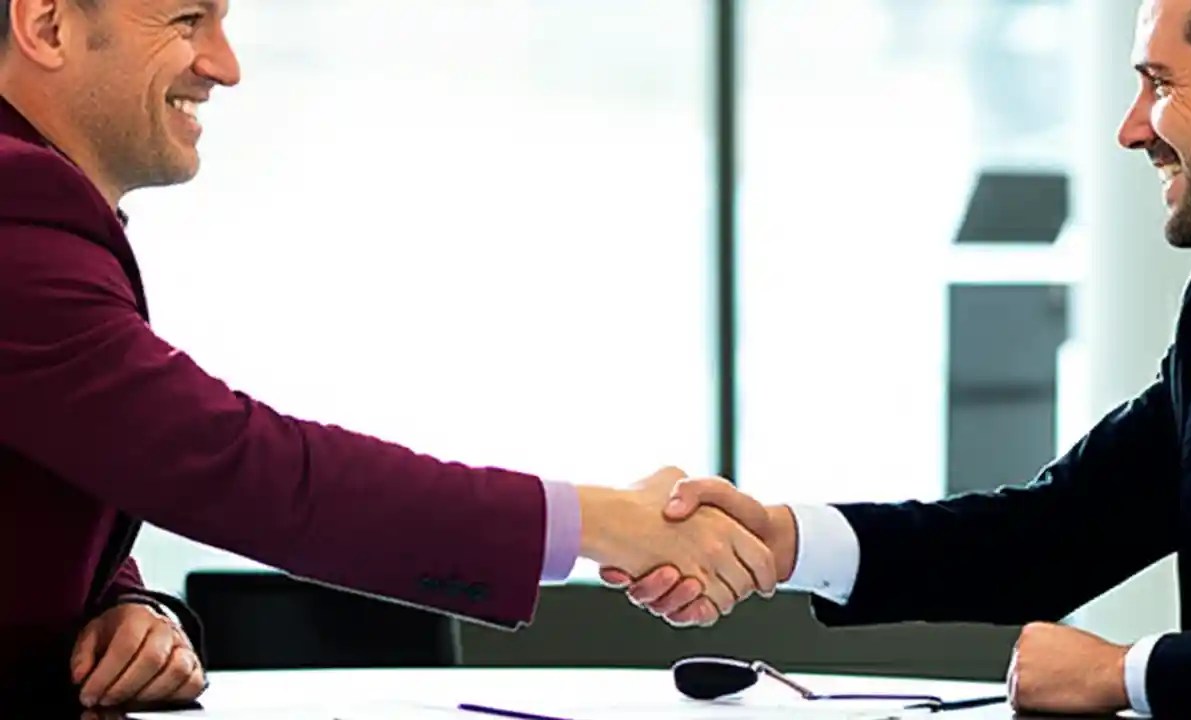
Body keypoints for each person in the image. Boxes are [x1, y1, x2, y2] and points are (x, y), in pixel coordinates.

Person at [0, 0, 778, 709]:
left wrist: (125, 604)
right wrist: (601, 521)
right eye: (186, 21)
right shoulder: (17, 207)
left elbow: (72, 452)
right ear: (48, 26)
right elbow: (238, 466)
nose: (224, 66)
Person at [612, 0, 1191, 715]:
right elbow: (1057, 531)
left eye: (1163, 84)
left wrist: (1125, 674)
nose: (1131, 128)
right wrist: (787, 541)